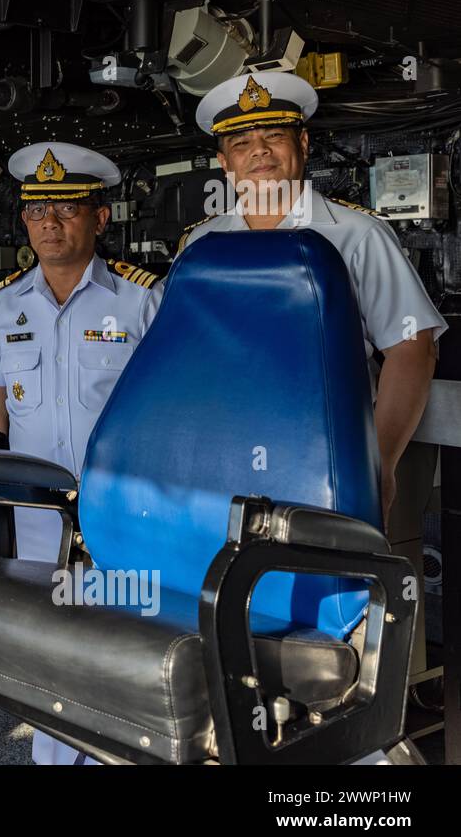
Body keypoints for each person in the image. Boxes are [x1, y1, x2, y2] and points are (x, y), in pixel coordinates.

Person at [0, 142, 162, 765]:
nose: (50, 221)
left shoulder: (141, 300)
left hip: (122, 517)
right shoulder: (4, 305)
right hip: (34, 519)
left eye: (68, 207)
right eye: (37, 210)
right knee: (47, 659)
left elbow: (167, 408)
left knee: (121, 656)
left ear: (100, 217)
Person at [184, 71, 447, 522]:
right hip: (217, 458)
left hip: (321, 462)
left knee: (323, 586)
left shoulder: (358, 235)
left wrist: (377, 466)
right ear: (224, 163)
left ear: (303, 145)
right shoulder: (200, 244)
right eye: (242, 144)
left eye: (274, 137)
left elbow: (411, 349)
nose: (260, 152)